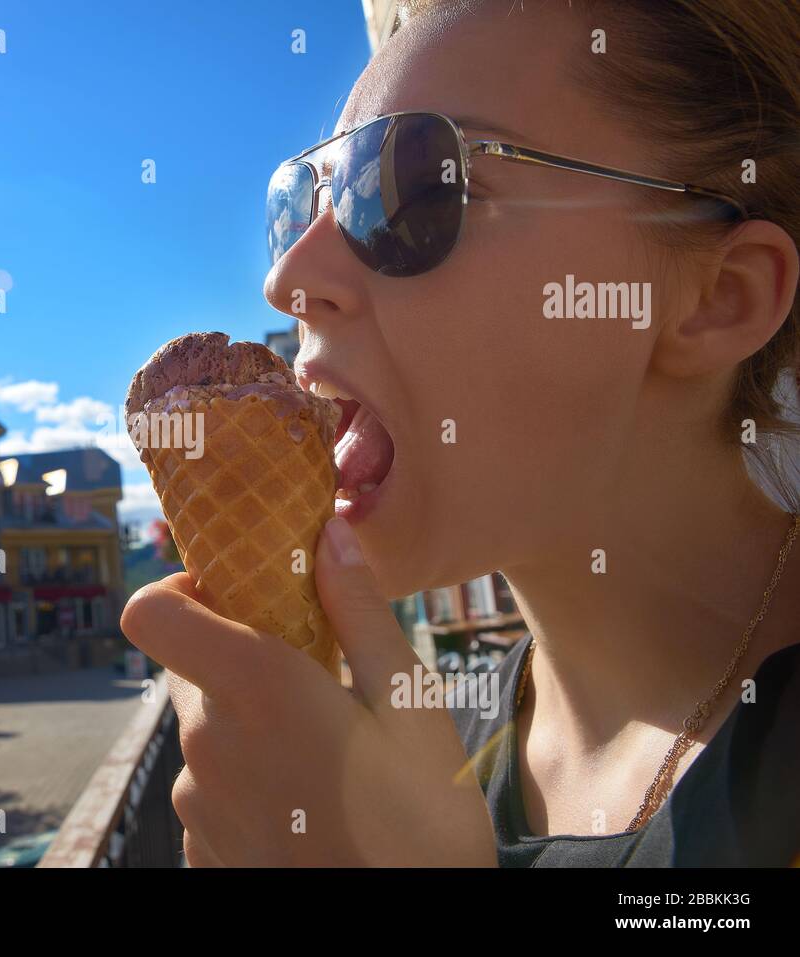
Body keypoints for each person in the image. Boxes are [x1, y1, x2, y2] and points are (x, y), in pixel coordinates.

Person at [120, 0, 800, 866]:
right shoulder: (439, 746)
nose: (288, 277)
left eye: (412, 185)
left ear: (721, 296)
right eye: (299, 205)